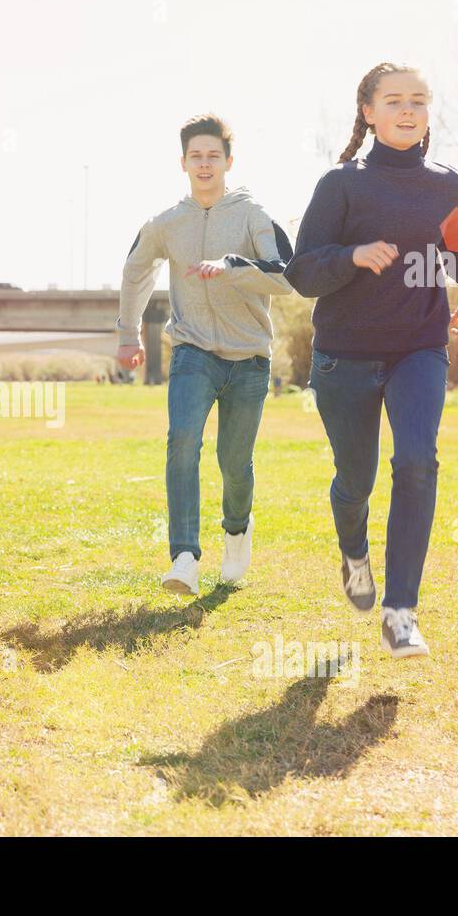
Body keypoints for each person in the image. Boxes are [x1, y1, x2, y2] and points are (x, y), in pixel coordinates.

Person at [284, 62, 458, 659]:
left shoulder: (448, 186)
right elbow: (302, 272)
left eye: (418, 100)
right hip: (343, 357)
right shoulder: (341, 185)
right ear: (368, 112)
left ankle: (401, 611)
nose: (408, 109)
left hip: (419, 349)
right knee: (355, 482)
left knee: (418, 460)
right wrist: (353, 255)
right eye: (394, 100)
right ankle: (354, 554)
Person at [117, 114, 293, 597]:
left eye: (213, 155)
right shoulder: (166, 223)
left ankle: (237, 530)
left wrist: (234, 266)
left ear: (228, 161)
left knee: (234, 462)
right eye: (196, 155)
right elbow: (135, 272)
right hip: (193, 351)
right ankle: (185, 556)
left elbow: (286, 275)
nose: (204, 163)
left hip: (249, 358)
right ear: (183, 162)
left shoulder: (253, 215)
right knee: (182, 440)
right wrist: (128, 334)